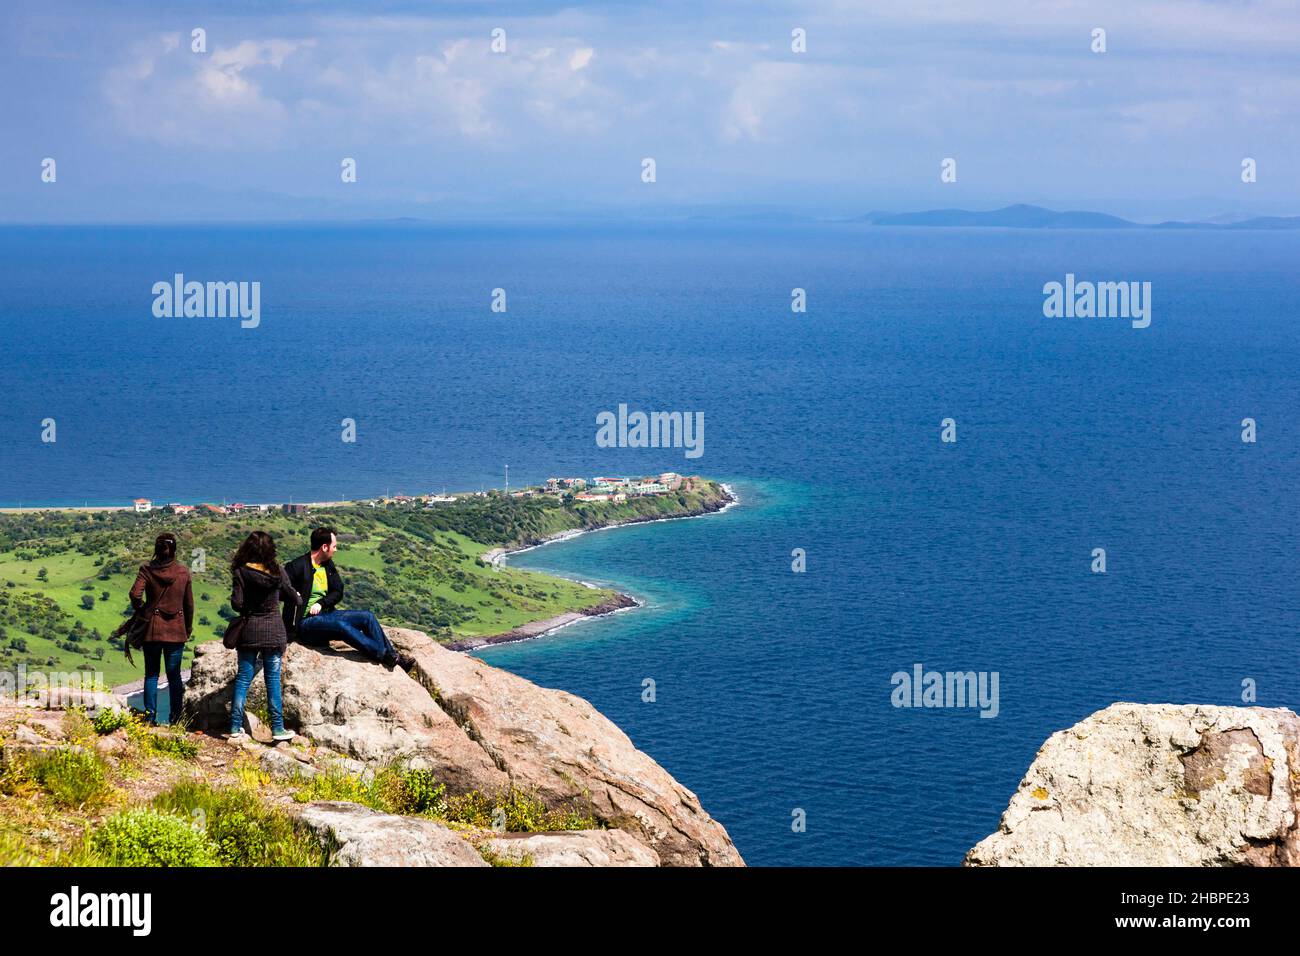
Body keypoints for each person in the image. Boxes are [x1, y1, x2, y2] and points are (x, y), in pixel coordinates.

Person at [283, 527, 415, 671]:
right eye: (334, 546)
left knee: (367, 617)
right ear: (324, 547)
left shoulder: (327, 565)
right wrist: (290, 626)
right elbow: (281, 593)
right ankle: (385, 655)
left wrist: (322, 603)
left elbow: (338, 590)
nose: (336, 549)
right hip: (306, 622)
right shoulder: (296, 567)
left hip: (327, 614)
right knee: (340, 625)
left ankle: (392, 656)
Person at [227, 531, 301, 744]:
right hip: (274, 630)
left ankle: (234, 726)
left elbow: (237, 604)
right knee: (273, 682)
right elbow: (290, 595)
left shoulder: (241, 572)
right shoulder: (277, 571)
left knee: (243, 679)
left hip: (249, 629)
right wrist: (296, 596)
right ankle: (277, 728)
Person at [128, 532, 195, 725]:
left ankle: (150, 719)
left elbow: (135, 594)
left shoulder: (146, 569)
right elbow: (189, 604)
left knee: (151, 675)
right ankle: (176, 719)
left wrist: (143, 610)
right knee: (174, 676)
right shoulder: (183, 572)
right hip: (176, 630)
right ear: (174, 550)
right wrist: (187, 628)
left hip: (153, 630)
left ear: (156, 550)